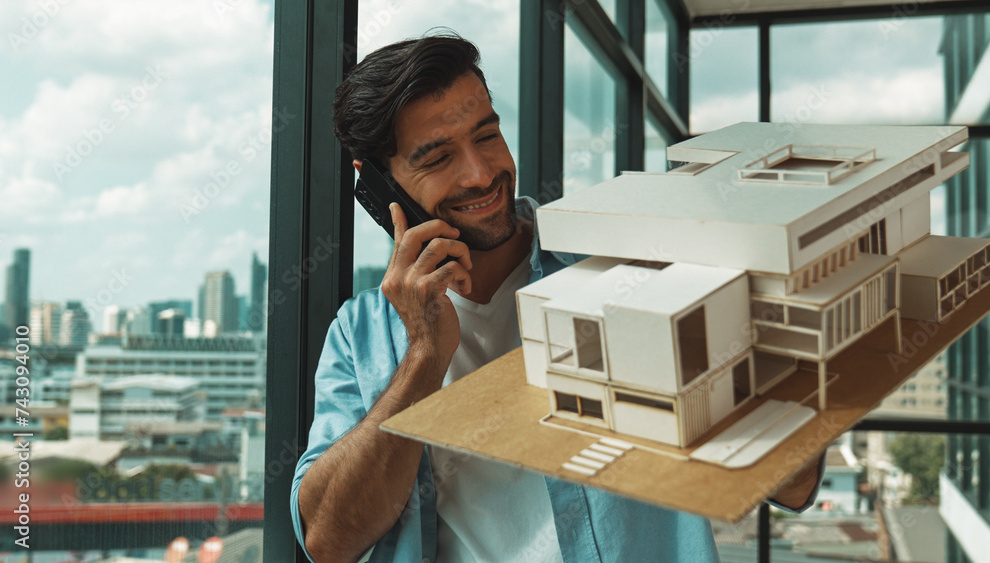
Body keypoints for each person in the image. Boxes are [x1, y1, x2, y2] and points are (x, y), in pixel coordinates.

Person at [290, 32, 823, 563]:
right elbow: (328, 540)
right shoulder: (359, 335)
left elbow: (793, 485)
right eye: (437, 158)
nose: (479, 173)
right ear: (378, 186)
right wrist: (424, 358)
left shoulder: (624, 265)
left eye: (487, 135)